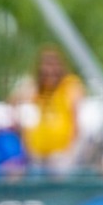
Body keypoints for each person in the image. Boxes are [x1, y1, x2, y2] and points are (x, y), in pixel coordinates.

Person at [19, 45, 84, 173]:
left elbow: (75, 114)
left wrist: (71, 150)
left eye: (53, 65)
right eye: (46, 65)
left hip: (61, 153)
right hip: (37, 153)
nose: (50, 70)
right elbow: (17, 101)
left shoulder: (69, 85)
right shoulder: (38, 90)